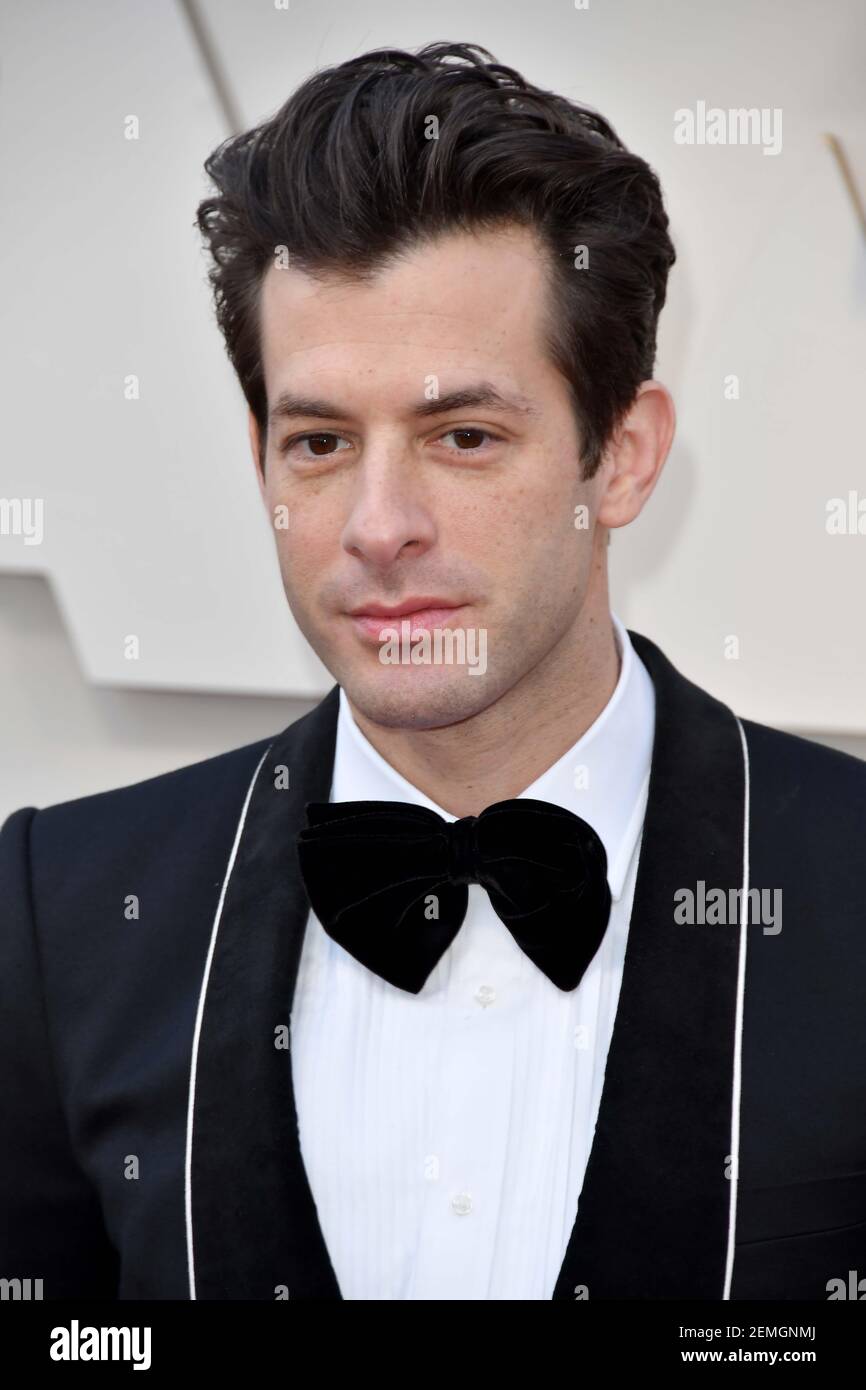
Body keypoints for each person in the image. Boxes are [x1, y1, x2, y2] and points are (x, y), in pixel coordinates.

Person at [2, 41, 864, 1302]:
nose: (377, 523)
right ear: (260, 463)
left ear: (619, 456)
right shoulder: (58, 910)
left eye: (462, 435)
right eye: (319, 441)